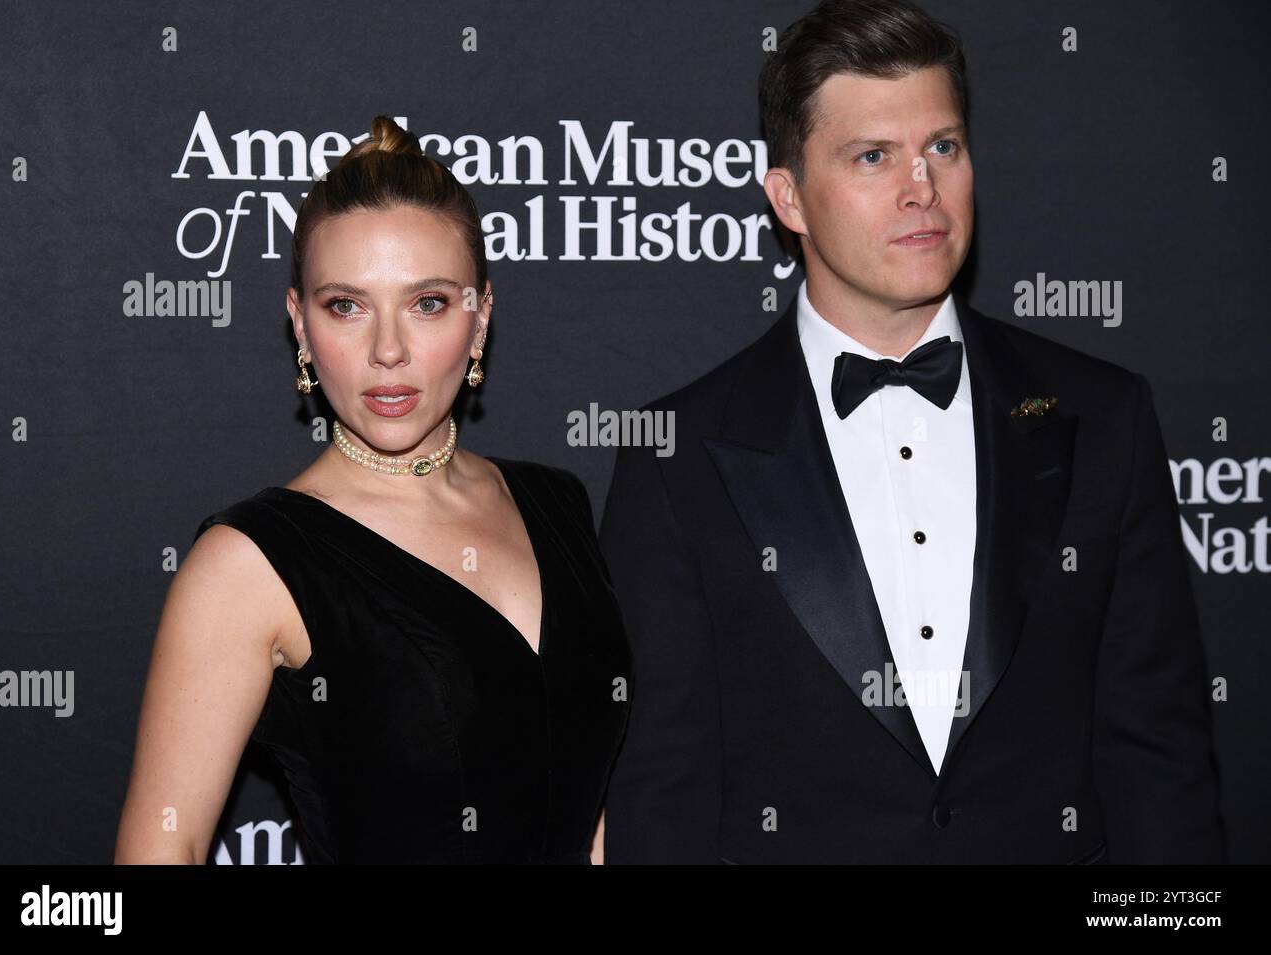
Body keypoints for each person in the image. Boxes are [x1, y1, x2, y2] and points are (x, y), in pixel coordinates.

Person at [599, 0, 1224, 863]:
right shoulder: (677, 452)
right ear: (789, 197)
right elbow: (661, 797)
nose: (921, 187)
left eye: (943, 146)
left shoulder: (1102, 415)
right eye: (872, 156)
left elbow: (1160, 763)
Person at [115, 115, 631, 864]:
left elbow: (596, 809)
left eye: (428, 303)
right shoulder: (250, 563)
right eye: (345, 306)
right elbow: (162, 853)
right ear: (299, 322)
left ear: (481, 315)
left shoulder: (557, 503)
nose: (388, 351)